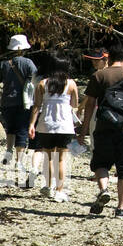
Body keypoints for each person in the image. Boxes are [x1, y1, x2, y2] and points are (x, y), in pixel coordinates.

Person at [78, 42, 123, 217]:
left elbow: (90, 105)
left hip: (103, 126)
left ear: (109, 57)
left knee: (101, 163)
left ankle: (104, 190)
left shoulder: (99, 76)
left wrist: (84, 130)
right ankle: (121, 208)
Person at [28, 57, 79, 201]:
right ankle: (59, 190)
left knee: (49, 158)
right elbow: (74, 104)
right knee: (61, 160)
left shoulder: (42, 84)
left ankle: (48, 186)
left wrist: (31, 125)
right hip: (65, 126)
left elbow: (36, 107)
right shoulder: (71, 84)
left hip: (46, 125)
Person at [0, 34, 38, 186]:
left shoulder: (4, 64)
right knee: (22, 130)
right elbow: (36, 80)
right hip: (25, 102)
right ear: (24, 49)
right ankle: (19, 161)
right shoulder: (29, 63)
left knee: (10, 128)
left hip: (7, 102)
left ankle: (8, 152)